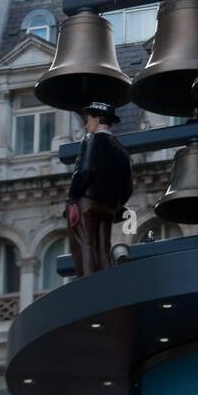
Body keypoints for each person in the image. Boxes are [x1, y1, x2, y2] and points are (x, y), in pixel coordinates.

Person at [66, 102, 134, 277]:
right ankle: (104, 282)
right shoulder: (121, 149)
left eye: (88, 120)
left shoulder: (91, 139)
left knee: (84, 244)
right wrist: (116, 204)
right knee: (104, 247)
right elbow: (128, 187)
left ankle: (86, 282)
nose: (86, 125)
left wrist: (72, 197)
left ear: (96, 120)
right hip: (109, 207)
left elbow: (85, 169)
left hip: (87, 202)